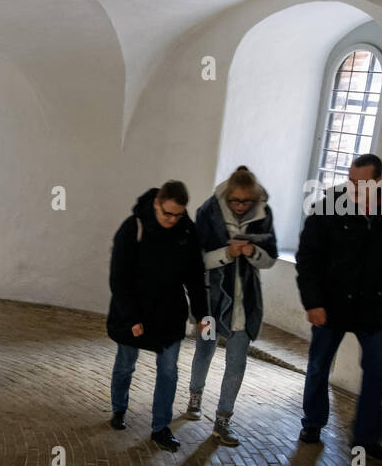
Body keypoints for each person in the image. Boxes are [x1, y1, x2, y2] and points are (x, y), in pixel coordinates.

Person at [296, 153, 382, 459]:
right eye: (350, 180)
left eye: (360, 182)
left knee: (377, 371)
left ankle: (366, 439)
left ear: (378, 182)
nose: (352, 187)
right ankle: (313, 423)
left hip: (375, 306)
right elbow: (308, 257)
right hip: (331, 304)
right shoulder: (328, 205)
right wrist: (312, 302)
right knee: (318, 367)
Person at [107, 181, 211, 451]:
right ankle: (119, 409)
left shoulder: (187, 231)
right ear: (157, 204)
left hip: (169, 313)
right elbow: (119, 279)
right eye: (168, 214)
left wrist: (202, 315)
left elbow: (195, 278)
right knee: (125, 365)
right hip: (135, 311)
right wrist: (131, 318)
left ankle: (160, 428)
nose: (172, 219)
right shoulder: (133, 228)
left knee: (168, 371)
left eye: (178, 214)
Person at [185, 165, 279, 446]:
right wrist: (227, 253)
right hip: (212, 297)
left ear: (254, 199)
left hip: (244, 300)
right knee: (205, 350)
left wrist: (253, 252)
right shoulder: (208, 212)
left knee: (236, 362)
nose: (240, 206)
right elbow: (196, 259)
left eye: (246, 201)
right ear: (227, 196)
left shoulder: (264, 214)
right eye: (235, 201)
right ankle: (195, 397)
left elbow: (271, 257)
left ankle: (223, 421)